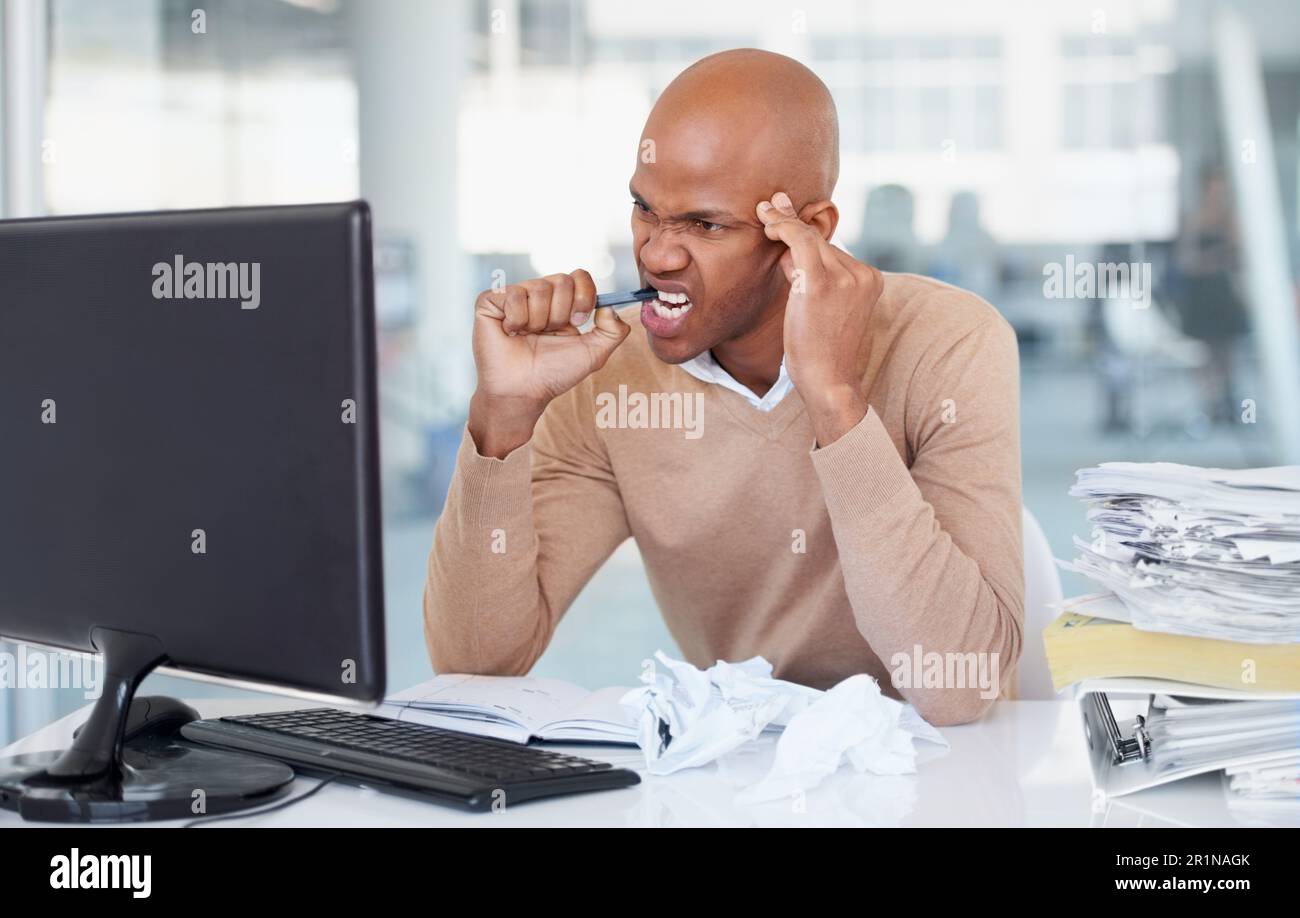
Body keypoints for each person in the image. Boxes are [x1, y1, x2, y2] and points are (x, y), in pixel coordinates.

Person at [424, 49, 1023, 725]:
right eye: (644, 210)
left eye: (706, 225)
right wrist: (503, 419)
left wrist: (834, 399)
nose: (655, 254)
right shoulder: (605, 372)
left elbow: (959, 691)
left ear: (809, 232)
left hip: (949, 782)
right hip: (740, 780)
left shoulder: (951, 341)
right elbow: (474, 663)